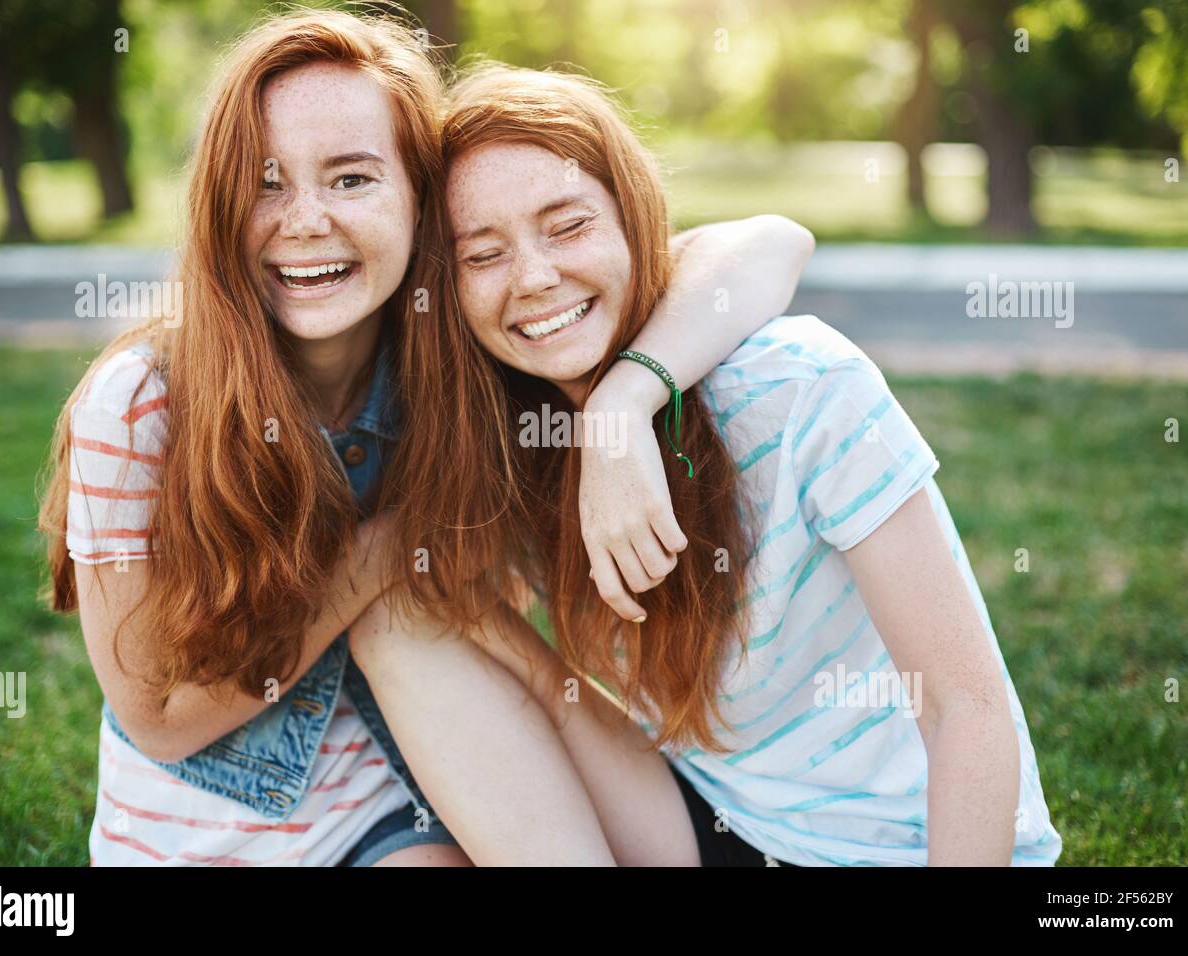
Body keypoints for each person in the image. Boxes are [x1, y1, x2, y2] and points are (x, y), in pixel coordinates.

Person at [38, 12, 816, 866]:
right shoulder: (139, 405)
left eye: (351, 179)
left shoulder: (464, 357)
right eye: (267, 183)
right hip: (196, 825)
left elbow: (769, 244)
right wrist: (385, 554)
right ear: (221, 200)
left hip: (399, 800)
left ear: (421, 197)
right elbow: (157, 718)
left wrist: (620, 405)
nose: (304, 220)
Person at [372, 63, 1064, 866]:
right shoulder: (508, 431)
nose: (533, 278)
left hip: (899, 848)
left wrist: (622, 403)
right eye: (481, 255)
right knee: (395, 620)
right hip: (711, 821)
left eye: (566, 227)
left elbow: (967, 708)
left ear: (635, 220)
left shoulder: (800, 386)